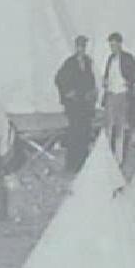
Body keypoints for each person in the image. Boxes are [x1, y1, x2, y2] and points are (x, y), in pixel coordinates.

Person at [54, 35, 98, 174]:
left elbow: (90, 80)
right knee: (74, 133)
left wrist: (92, 92)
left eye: (83, 46)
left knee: (85, 133)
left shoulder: (88, 62)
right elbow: (59, 79)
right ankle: (72, 164)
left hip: (85, 104)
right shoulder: (70, 62)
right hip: (74, 105)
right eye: (79, 46)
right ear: (76, 47)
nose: (81, 49)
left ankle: (84, 163)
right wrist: (67, 92)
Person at [102, 33, 135, 166]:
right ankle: (106, 158)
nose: (112, 48)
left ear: (120, 44)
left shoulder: (127, 58)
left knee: (120, 127)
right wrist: (106, 81)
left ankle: (118, 159)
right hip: (110, 94)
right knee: (108, 126)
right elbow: (107, 74)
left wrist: (129, 81)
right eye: (111, 45)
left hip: (122, 95)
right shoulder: (110, 58)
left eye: (114, 45)